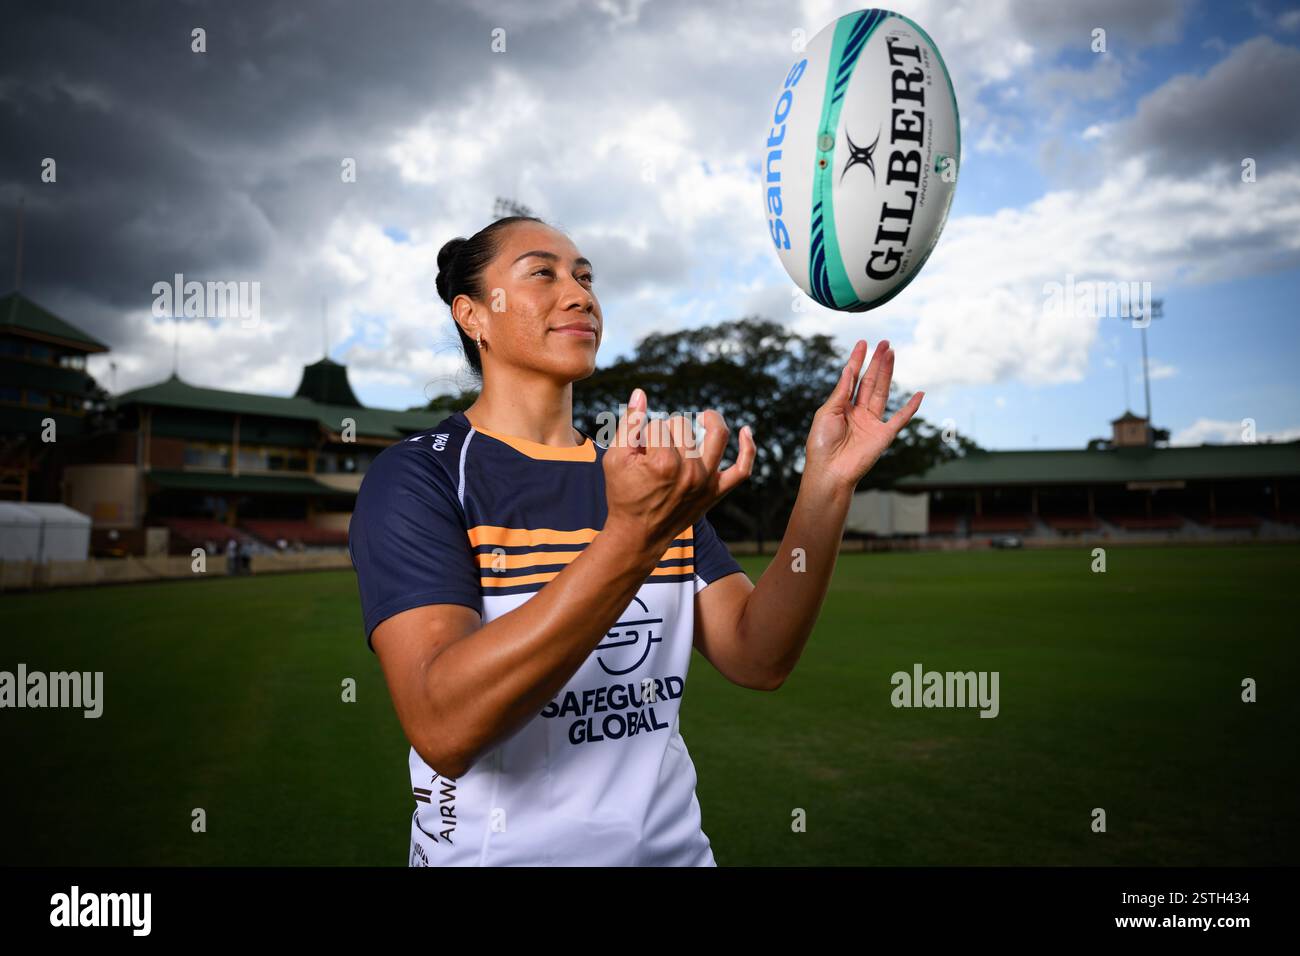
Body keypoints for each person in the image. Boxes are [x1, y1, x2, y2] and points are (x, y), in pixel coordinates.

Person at [347, 215, 922, 867]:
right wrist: (633, 535)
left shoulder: (641, 476)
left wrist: (826, 485)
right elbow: (443, 727)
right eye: (543, 273)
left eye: (586, 276)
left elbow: (757, 656)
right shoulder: (421, 475)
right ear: (472, 314)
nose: (580, 294)